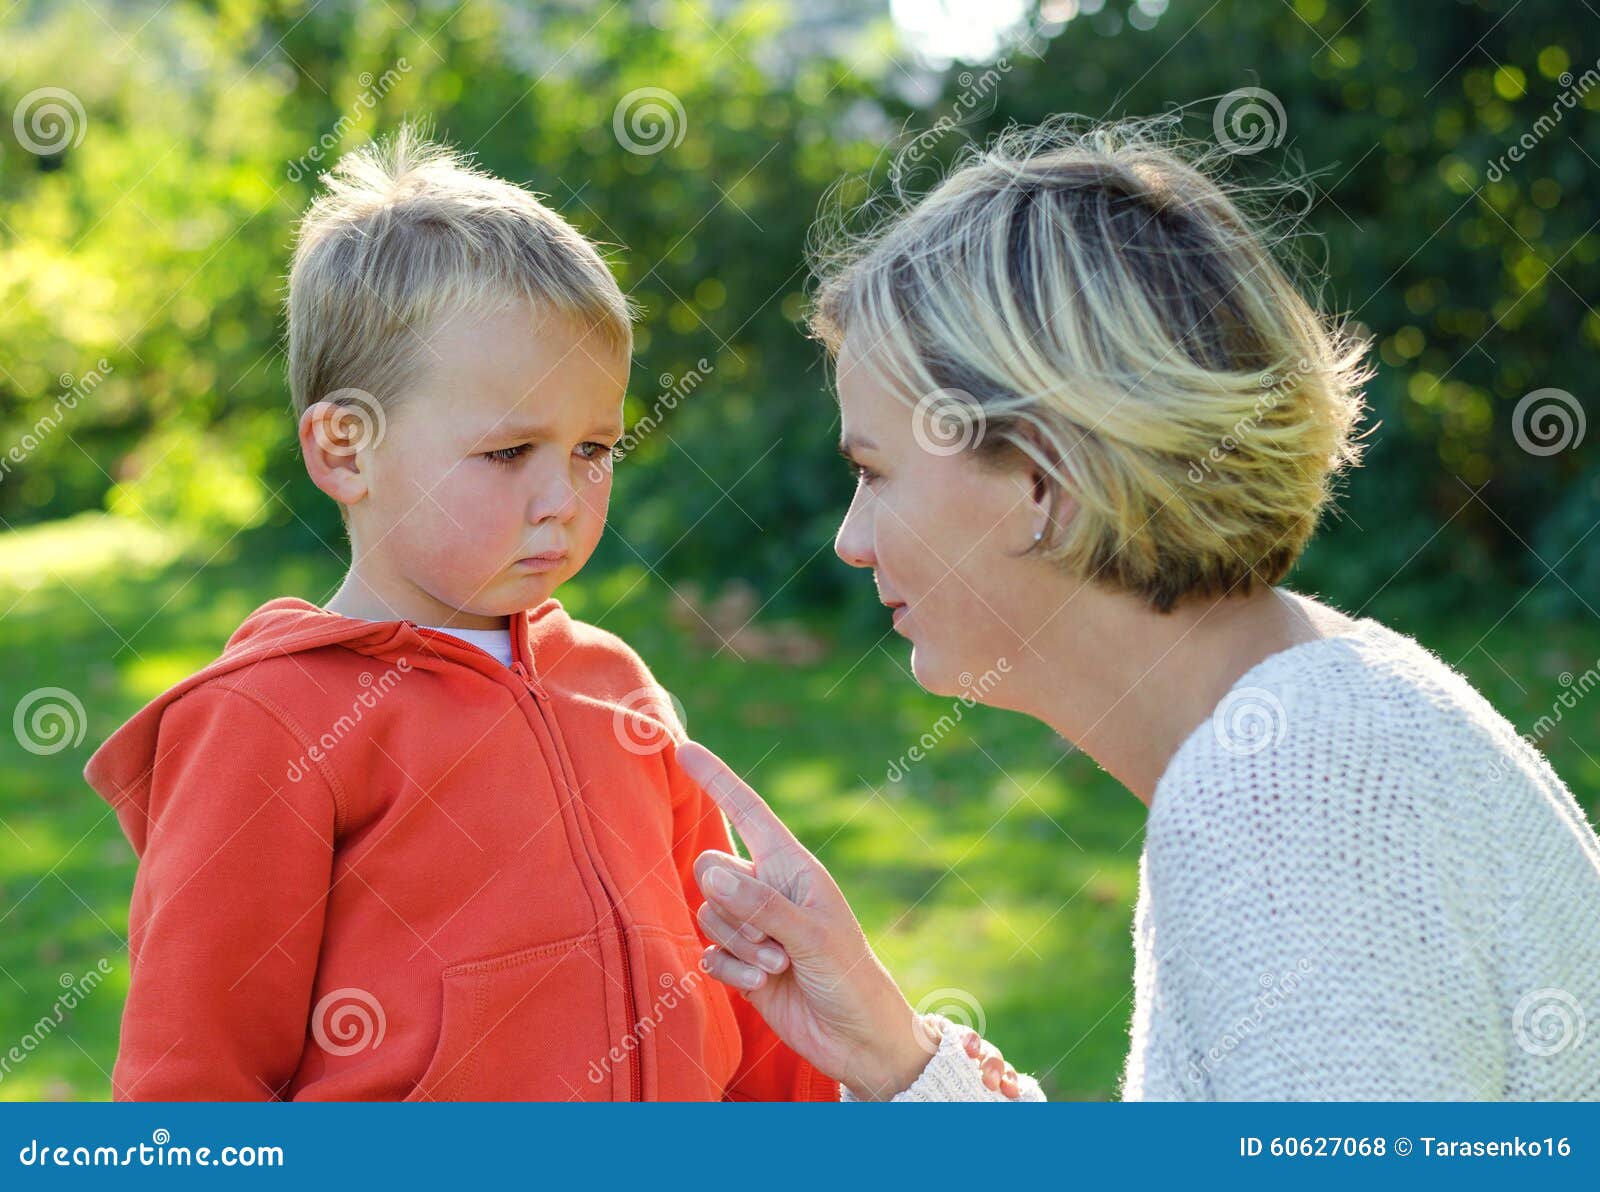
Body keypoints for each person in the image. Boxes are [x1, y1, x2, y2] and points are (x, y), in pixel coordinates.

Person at [683, 116, 1600, 1101]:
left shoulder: (1285, 801)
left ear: (1044, 481)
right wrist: (896, 1061)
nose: (850, 539)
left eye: (875, 470)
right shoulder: (1316, 714)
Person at [82, 127, 856, 1101]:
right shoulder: (266, 723)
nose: (563, 498)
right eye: (507, 453)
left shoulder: (615, 684)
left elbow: (736, 968)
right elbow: (192, 1076)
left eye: (593, 449)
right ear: (345, 449)